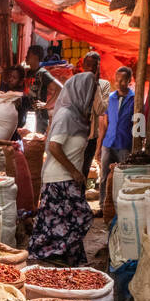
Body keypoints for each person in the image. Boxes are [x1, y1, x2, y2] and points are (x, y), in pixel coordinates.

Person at [27, 71, 97, 265]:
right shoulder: (66, 115)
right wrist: (75, 171)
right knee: (80, 216)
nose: (92, 96)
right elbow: (54, 147)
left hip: (66, 178)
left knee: (63, 221)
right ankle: (52, 255)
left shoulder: (78, 116)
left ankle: (65, 258)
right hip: (59, 179)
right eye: (90, 92)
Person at [97, 66, 135, 203]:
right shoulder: (110, 98)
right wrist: (99, 146)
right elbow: (105, 125)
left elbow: (139, 124)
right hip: (108, 143)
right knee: (104, 177)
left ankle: (120, 205)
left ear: (129, 80)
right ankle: (103, 204)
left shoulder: (135, 99)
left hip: (124, 144)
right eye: (117, 80)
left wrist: (137, 145)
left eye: (123, 80)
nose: (119, 83)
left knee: (123, 177)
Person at [81, 51, 109, 180]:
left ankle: (80, 197)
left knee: (84, 171)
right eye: (87, 64)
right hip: (76, 135)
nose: (90, 68)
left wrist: (95, 83)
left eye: (94, 65)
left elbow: (100, 109)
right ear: (83, 65)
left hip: (91, 137)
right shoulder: (76, 82)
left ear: (98, 67)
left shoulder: (103, 85)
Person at [25, 44, 62, 133]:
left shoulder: (42, 73)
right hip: (30, 115)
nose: (26, 57)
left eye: (28, 55)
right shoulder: (29, 72)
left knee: (37, 142)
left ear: (35, 57)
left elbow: (60, 88)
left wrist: (47, 105)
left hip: (40, 117)